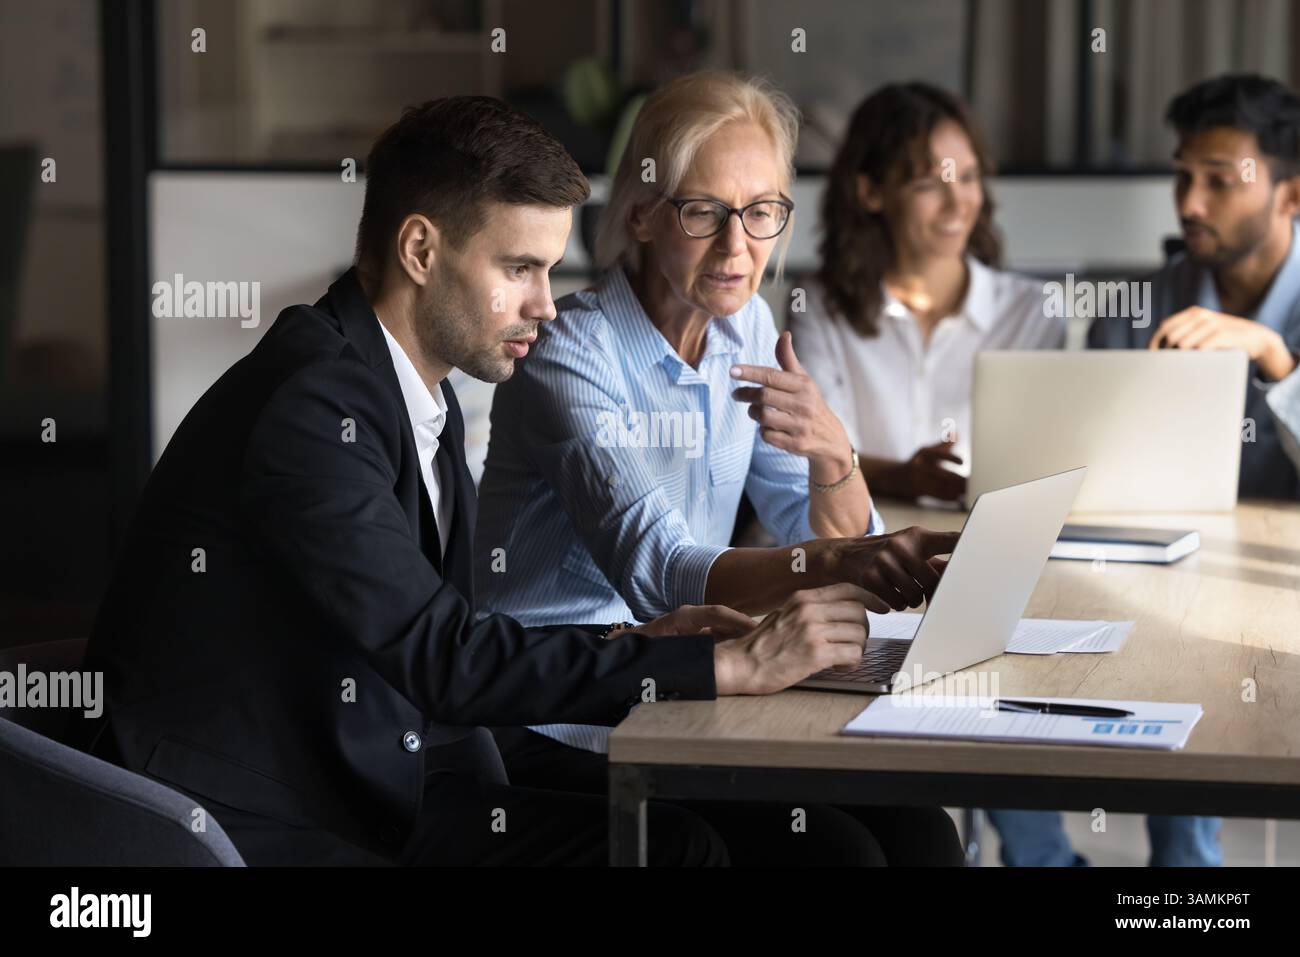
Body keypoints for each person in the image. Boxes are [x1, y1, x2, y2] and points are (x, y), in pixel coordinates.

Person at [78, 96, 894, 867]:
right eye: (520, 268)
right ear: (421, 251)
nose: (546, 304)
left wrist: (643, 641)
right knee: (679, 847)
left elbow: (442, 632)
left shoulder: (406, 387)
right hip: (264, 811)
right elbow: (441, 656)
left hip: (380, 759)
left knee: (767, 836)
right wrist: (724, 666)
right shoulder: (314, 407)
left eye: (549, 269)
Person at [476, 71, 963, 865]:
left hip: (685, 686)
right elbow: (662, 570)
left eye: (763, 212)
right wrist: (844, 556)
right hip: (553, 710)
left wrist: (835, 456)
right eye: (704, 212)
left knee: (922, 832)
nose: (741, 247)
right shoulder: (569, 354)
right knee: (838, 855)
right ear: (640, 212)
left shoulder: (748, 329)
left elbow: (830, 542)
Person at [1062, 72, 1300, 867]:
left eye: (1219, 181)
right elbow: (1088, 464)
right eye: (1182, 175)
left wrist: (1275, 360)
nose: (1190, 202)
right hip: (1155, 582)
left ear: (1290, 196)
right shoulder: (1141, 306)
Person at [789, 82, 1064, 505]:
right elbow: (811, 452)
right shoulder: (820, 308)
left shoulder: (1034, 312)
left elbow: (1047, 464)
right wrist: (899, 477)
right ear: (871, 192)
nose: (958, 203)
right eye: (929, 184)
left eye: (968, 177)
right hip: (854, 547)